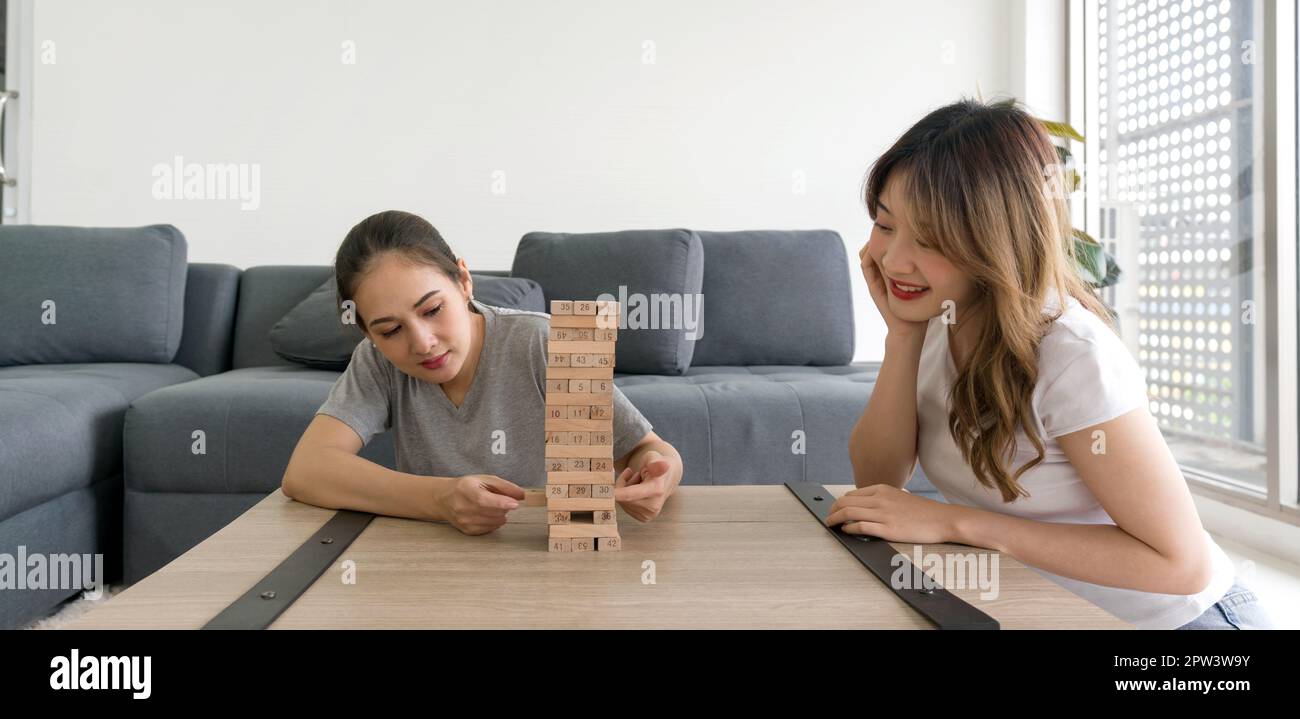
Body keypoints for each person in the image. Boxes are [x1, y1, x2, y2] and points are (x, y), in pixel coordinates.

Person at [829, 99, 1273, 630]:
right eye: (884, 224)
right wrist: (901, 338)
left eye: (929, 239)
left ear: (997, 240)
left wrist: (954, 522)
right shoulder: (935, 321)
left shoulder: (1071, 354)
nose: (894, 260)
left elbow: (1180, 563)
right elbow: (877, 481)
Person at [281, 210, 683, 535]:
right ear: (367, 331)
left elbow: (647, 449)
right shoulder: (376, 361)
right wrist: (440, 499)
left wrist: (658, 477)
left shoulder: (545, 341)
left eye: (432, 310)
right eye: (390, 330)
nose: (422, 343)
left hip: (542, 557)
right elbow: (306, 470)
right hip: (433, 560)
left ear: (464, 281)